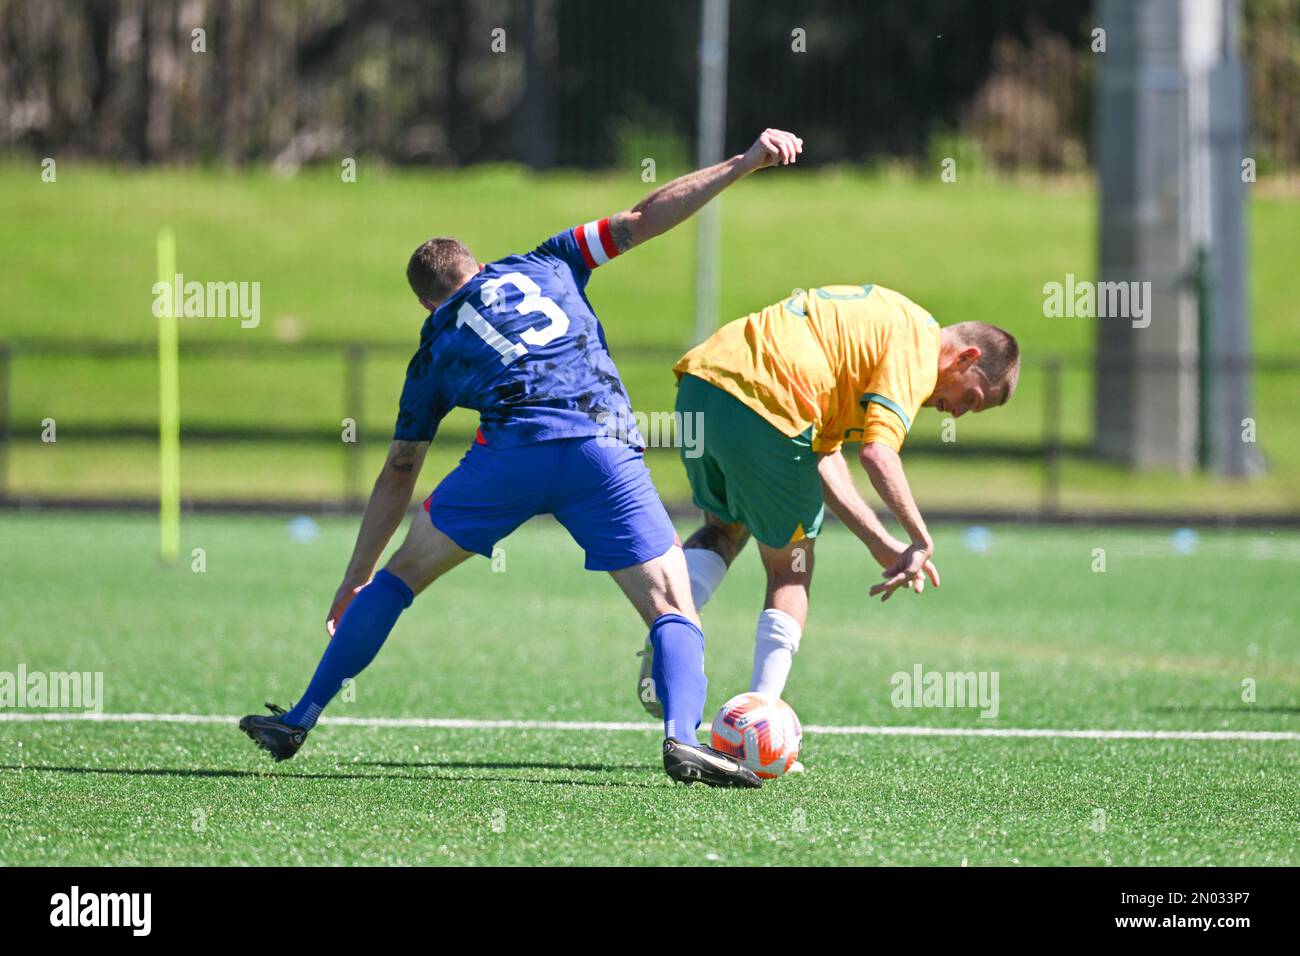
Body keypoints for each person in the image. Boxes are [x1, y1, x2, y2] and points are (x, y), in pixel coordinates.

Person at [239, 128, 807, 788]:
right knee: (672, 606)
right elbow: (643, 217)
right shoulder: (550, 261)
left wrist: (355, 575)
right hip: (600, 446)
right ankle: (682, 738)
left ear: (427, 301)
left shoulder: (433, 347)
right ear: (475, 267)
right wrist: (743, 163)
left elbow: (399, 472)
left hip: (510, 454)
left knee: (401, 577)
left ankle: (300, 717)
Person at [637, 283, 1020, 746]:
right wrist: (920, 538)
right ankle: (756, 731)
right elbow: (878, 455)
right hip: (775, 404)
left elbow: (823, 456)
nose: (956, 413)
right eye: (971, 398)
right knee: (791, 570)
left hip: (705, 384)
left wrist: (881, 543)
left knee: (723, 529)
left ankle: (669, 634)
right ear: (965, 357)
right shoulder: (918, 347)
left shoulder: (875, 331)